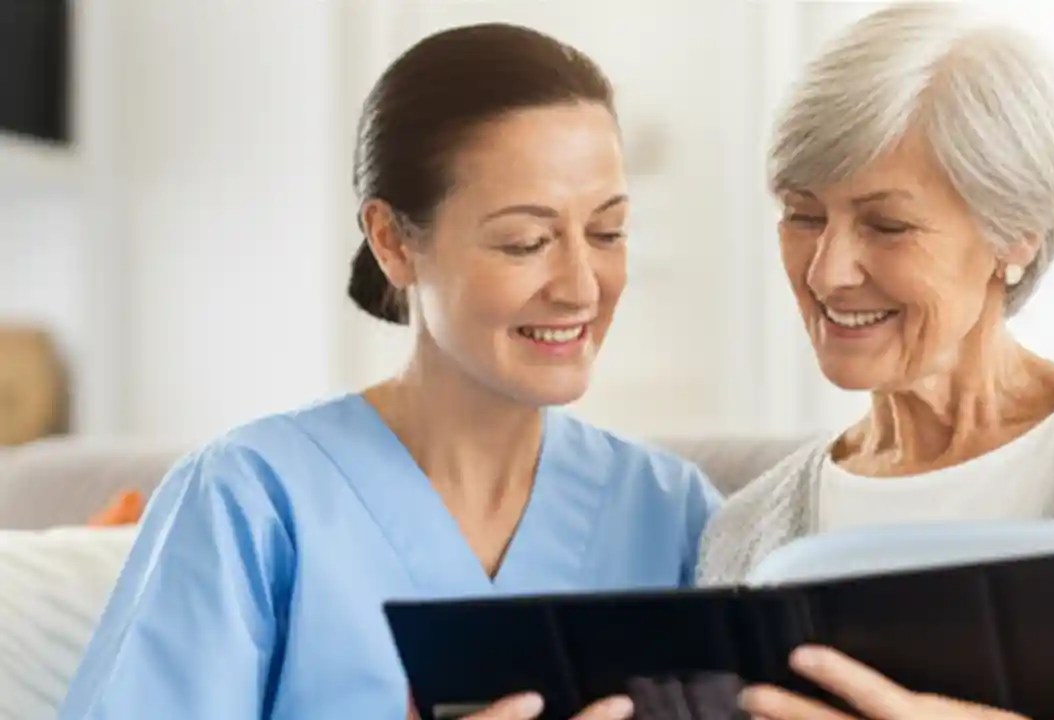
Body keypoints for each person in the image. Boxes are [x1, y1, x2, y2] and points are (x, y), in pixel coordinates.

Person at [59, 23, 719, 720]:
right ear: (393, 242)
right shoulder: (249, 499)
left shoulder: (673, 514)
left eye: (608, 232)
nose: (581, 286)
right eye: (525, 241)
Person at [699, 3, 1054, 719]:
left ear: (1016, 237)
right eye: (803, 214)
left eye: (886, 225)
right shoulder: (740, 534)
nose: (826, 272)